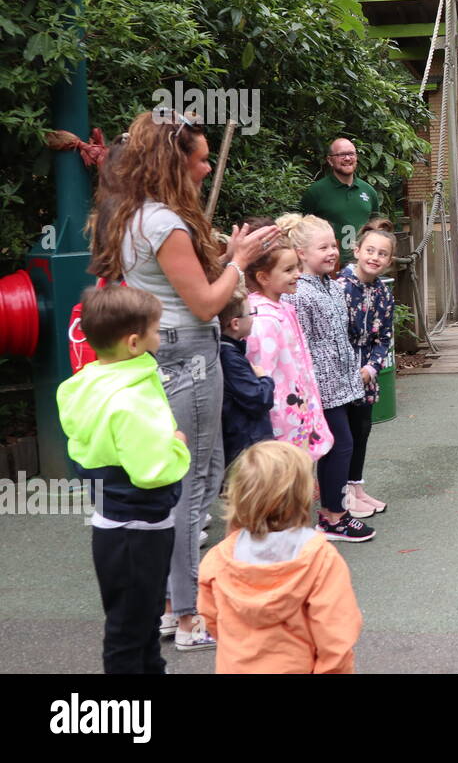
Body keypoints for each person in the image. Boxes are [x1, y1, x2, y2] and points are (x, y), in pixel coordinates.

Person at [89, 109, 279, 651]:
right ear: (176, 162)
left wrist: (224, 256)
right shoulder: (166, 222)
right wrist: (239, 263)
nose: (205, 167)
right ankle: (187, 614)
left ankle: (174, 606)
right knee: (193, 486)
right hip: (189, 354)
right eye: (199, 159)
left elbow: (178, 281)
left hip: (164, 350)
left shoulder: (131, 213)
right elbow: (204, 302)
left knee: (191, 476)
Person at [58, 285, 190, 674]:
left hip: (116, 524)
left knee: (139, 621)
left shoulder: (88, 384)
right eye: (155, 329)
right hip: (140, 530)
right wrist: (177, 444)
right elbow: (154, 472)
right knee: (128, 633)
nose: (159, 336)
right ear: (134, 343)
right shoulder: (129, 399)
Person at [198, 440, 363, 673]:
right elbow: (335, 637)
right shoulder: (319, 558)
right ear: (301, 493)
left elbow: (211, 618)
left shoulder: (218, 559)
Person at [280, 213, 375, 542]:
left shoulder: (331, 286)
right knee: (339, 445)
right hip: (319, 384)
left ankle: (334, 510)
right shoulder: (297, 293)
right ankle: (333, 515)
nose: (332, 252)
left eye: (334, 245)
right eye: (323, 247)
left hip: (342, 379)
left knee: (340, 444)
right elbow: (298, 342)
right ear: (301, 253)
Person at [339, 219, 397, 516]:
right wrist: (350, 369)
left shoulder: (384, 293)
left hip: (366, 374)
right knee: (344, 434)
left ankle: (356, 487)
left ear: (389, 260)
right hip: (340, 374)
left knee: (362, 429)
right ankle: (341, 495)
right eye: (370, 250)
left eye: (382, 254)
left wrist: (372, 368)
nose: (375, 257)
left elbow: (384, 335)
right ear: (357, 250)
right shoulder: (340, 287)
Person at [300, 137, 381, 263]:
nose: (347, 158)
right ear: (330, 160)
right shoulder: (315, 192)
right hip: (329, 267)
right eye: (341, 155)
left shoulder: (369, 192)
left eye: (351, 154)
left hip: (363, 265)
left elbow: (377, 231)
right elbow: (303, 233)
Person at [218, 290, 275, 467]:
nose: (253, 318)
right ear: (235, 323)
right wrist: (265, 379)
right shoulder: (230, 358)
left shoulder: (231, 351)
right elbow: (259, 398)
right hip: (246, 443)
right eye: (250, 313)